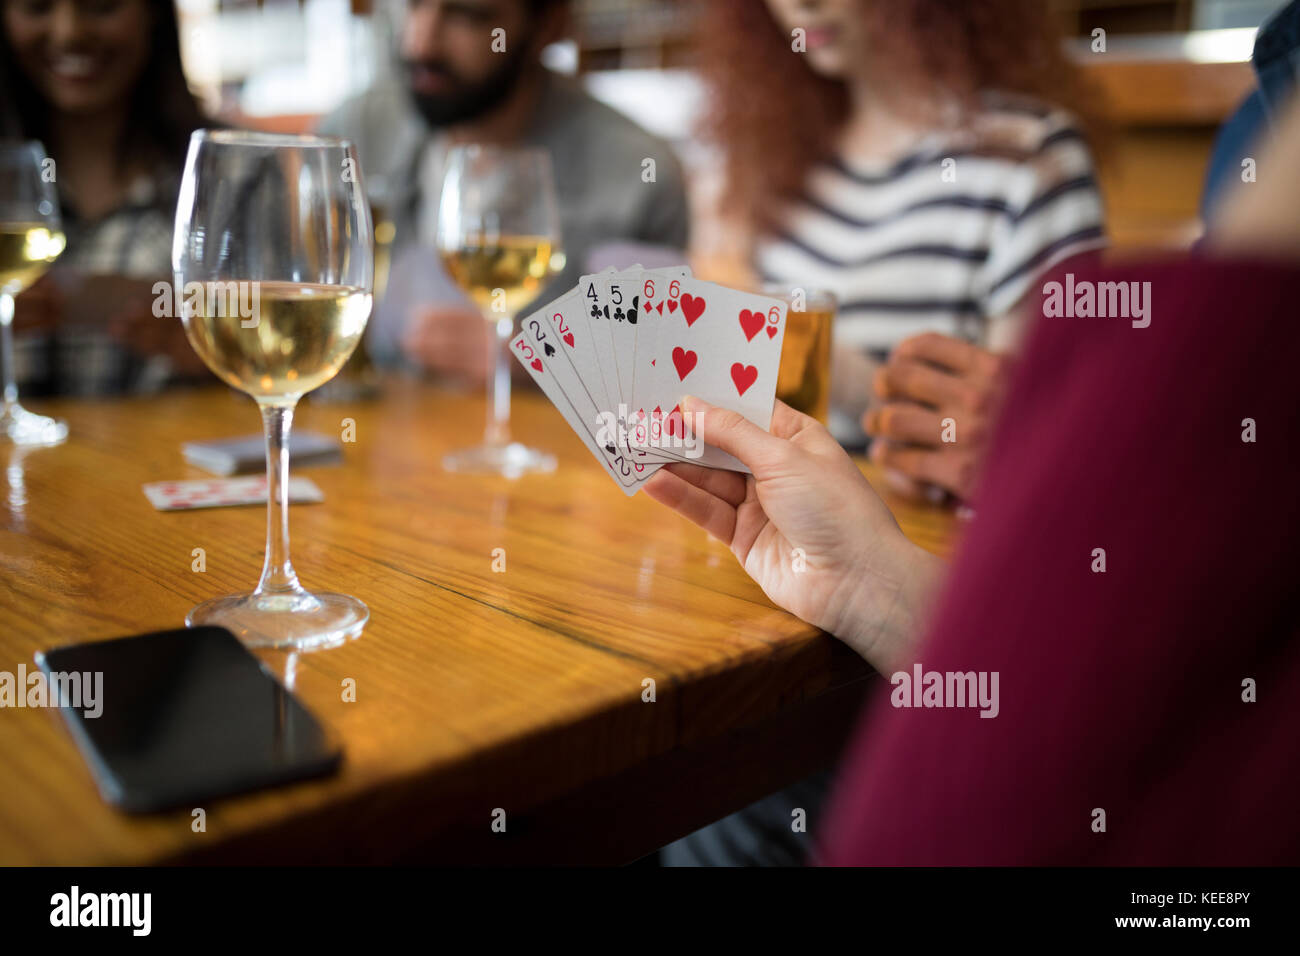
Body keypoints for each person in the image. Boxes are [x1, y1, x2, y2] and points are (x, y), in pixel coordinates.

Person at [647, 93, 1300, 865]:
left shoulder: (1032, 156)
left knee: (723, 803)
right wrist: (865, 581)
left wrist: (1023, 443)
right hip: (844, 588)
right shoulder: (767, 140)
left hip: (896, 664)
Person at [700, 0, 1106, 501]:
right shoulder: (774, 154)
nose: (801, 4)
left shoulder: (1032, 158)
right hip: (767, 527)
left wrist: (812, 358)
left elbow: (1017, 448)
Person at [318, 0, 690, 383]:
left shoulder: (638, 175)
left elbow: (660, 372)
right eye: (413, 6)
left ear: (549, 26)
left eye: (468, 14)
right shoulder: (350, 135)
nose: (419, 45)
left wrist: (543, 362)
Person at [0, 0, 210, 394]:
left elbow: (313, 378)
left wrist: (225, 357)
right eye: (36, 7)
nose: (69, 33)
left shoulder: (229, 172)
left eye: (100, 6)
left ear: (151, 12)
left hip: (172, 452)